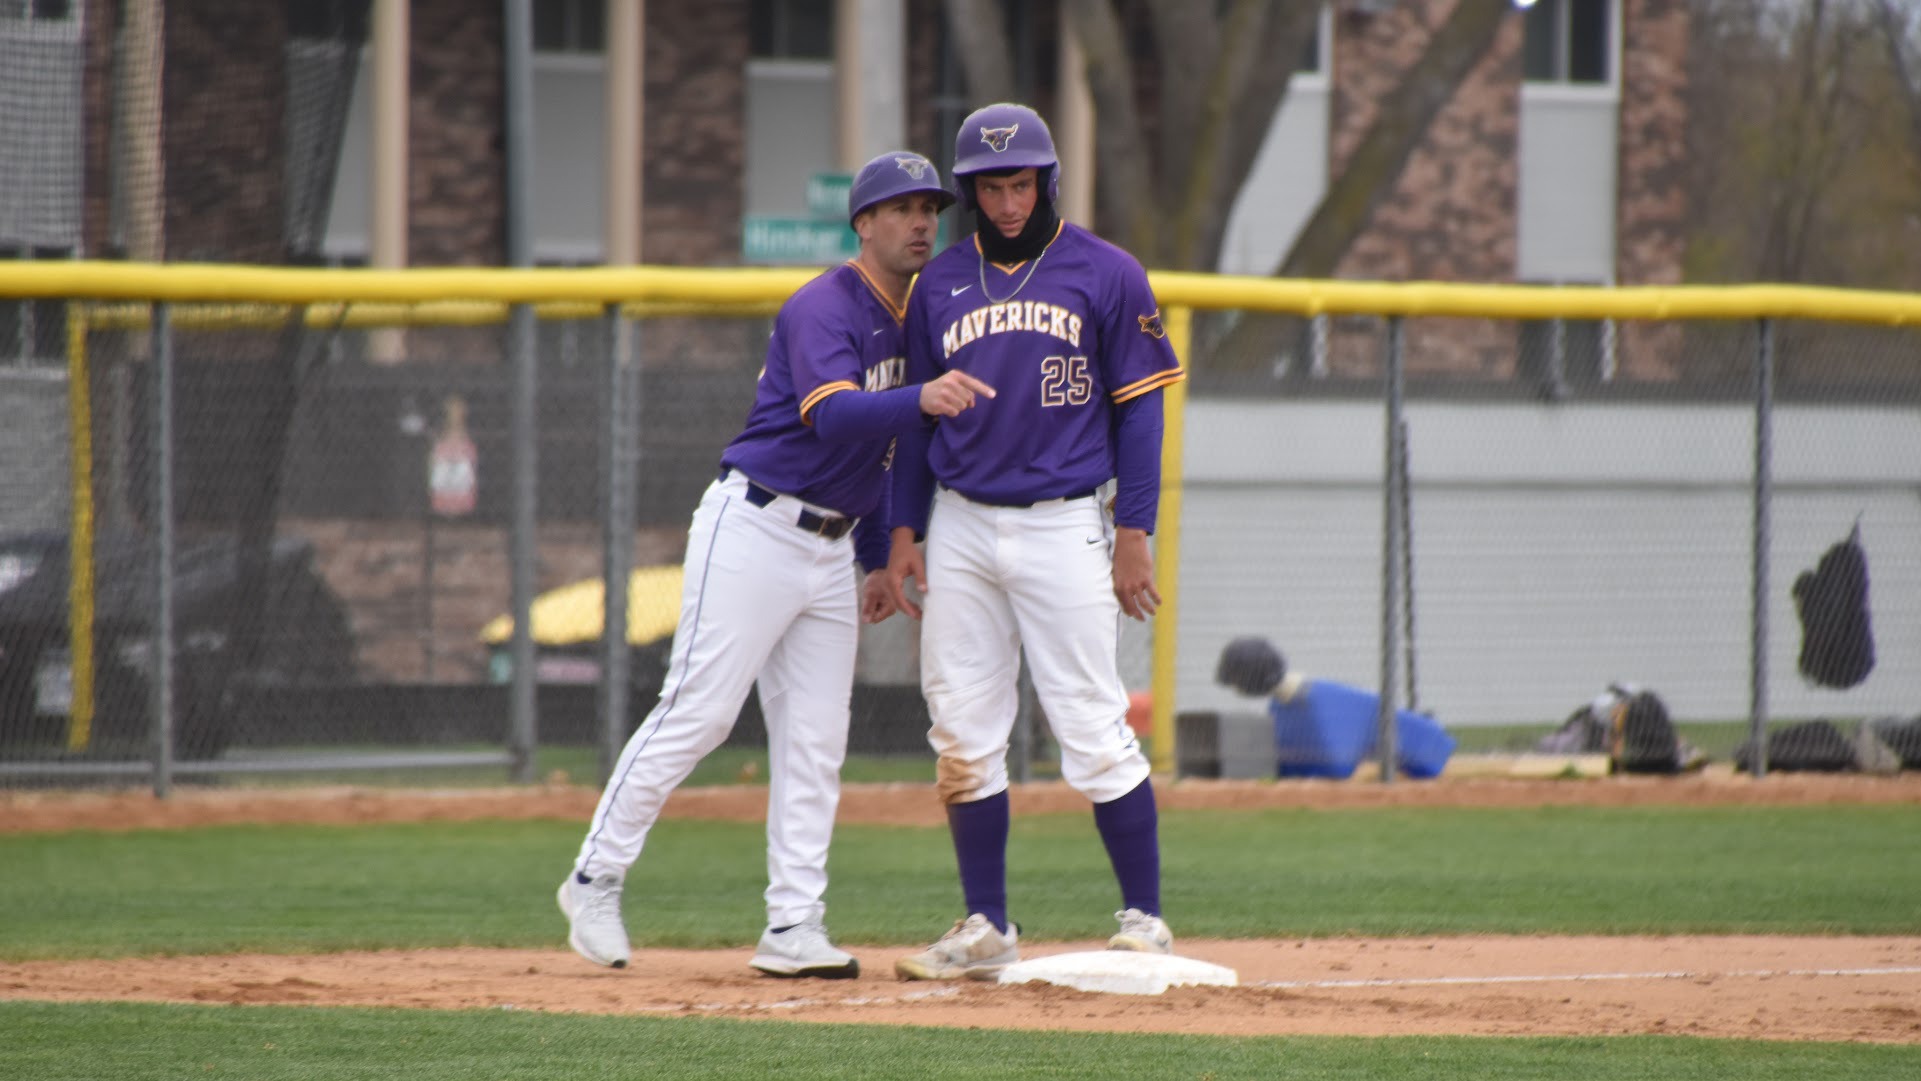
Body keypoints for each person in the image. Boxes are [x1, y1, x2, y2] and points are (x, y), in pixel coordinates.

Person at [558, 150, 994, 980]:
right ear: (862, 223)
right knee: (699, 711)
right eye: (901, 209)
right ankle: (594, 877)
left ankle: (793, 924)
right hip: (756, 525)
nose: (920, 224)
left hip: (831, 548)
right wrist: (922, 397)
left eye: (929, 210)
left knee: (816, 739)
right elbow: (832, 417)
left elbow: (883, 453)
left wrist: (875, 557)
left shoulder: (916, 319)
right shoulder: (822, 305)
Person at [883, 103, 1185, 980]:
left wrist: (1134, 530)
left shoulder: (1106, 271)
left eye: (1021, 184)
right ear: (969, 192)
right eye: (990, 188)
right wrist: (903, 530)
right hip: (961, 521)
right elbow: (916, 422)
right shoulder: (938, 283)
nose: (1008, 203)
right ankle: (987, 924)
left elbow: (1142, 412)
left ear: (1046, 181)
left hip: (1064, 519)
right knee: (961, 726)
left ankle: (1145, 916)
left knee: (1091, 721)